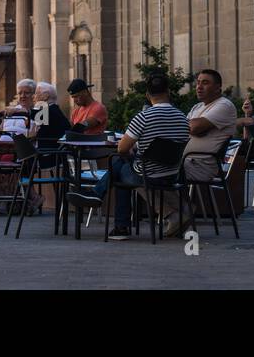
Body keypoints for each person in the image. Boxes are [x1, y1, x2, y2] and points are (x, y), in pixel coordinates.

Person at [67, 73, 189, 241]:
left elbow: (122, 148)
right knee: (121, 166)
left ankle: (117, 222)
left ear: (147, 95)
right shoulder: (183, 118)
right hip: (172, 174)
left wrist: (129, 153)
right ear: (168, 92)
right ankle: (103, 204)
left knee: (118, 163)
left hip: (147, 174)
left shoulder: (143, 117)